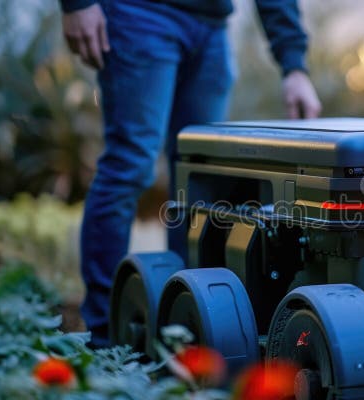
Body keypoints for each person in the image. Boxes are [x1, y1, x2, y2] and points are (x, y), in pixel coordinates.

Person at [59, 0, 322, 347]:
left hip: (211, 28)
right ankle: (106, 338)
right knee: (129, 165)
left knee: (200, 178)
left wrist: (294, 66)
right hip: (138, 14)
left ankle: (183, 329)